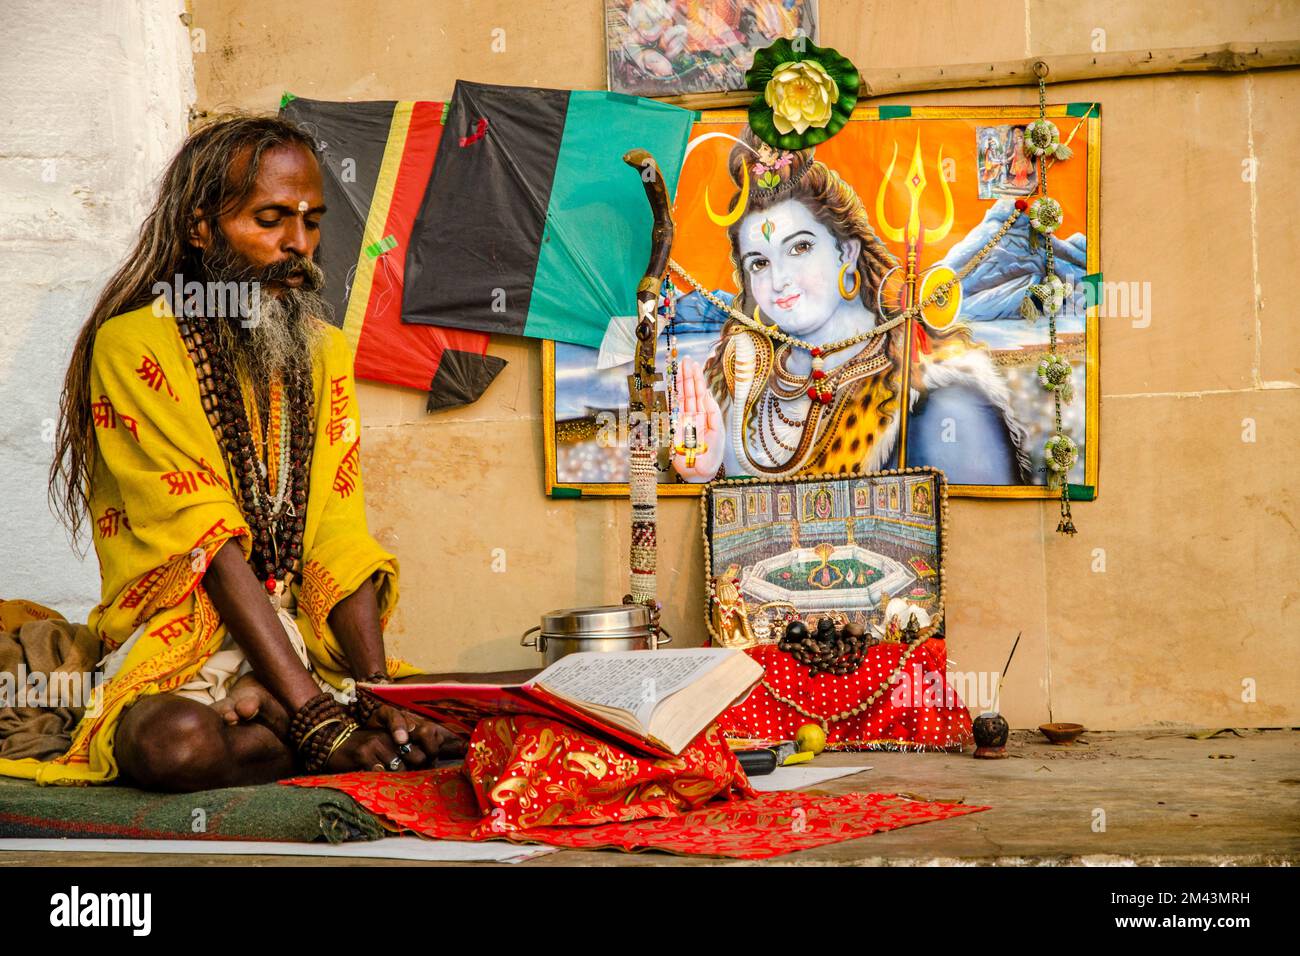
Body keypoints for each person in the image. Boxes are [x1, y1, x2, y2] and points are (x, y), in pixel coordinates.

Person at [1, 116, 461, 791]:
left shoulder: (324, 349)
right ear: (200, 227)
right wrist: (319, 723)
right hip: (182, 643)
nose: (298, 246)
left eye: (311, 221)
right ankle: (289, 725)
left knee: (486, 709)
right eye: (270, 220)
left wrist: (378, 697)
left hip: (302, 642)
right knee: (175, 748)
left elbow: (339, 532)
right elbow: (207, 542)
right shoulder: (135, 344)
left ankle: (292, 721)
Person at [671, 128, 1031, 485]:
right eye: (759, 263)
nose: (778, 280)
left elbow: (977, 535)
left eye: (799, 248)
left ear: (847, 250)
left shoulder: (936, 397)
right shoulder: (741, 386)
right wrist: (705, 474)